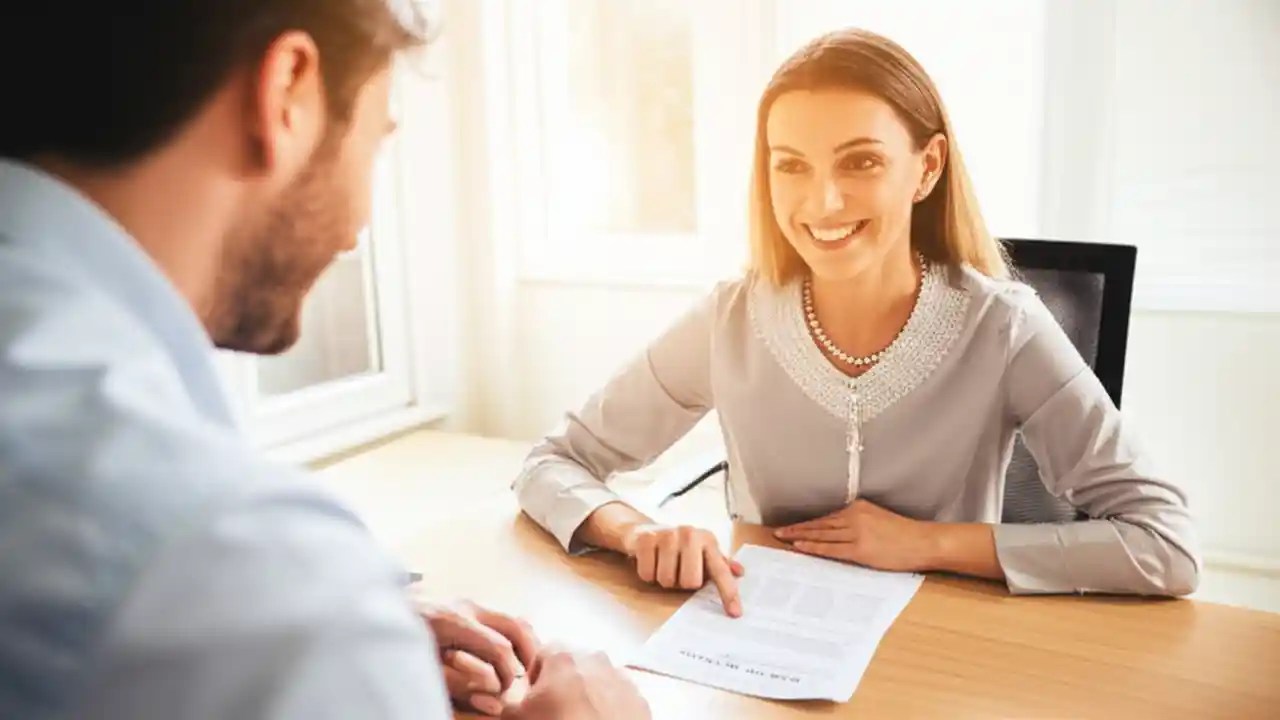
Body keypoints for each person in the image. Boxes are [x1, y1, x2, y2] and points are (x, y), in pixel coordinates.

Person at [0, 2, 648, 719]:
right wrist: (332, 639)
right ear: (287, 92)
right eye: (376, 141)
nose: (358, 223)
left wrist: (363, 632)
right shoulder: (246, 568)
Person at [512, 27, 1201, 616]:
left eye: (862, 161)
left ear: (926, 167)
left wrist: (926, 543)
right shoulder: (729, 318)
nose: (824, 201)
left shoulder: (1006, 329)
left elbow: (1165, 544)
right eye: (792, 167)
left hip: (946, 653)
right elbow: (553, 463)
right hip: (758, 644)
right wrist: (636, 532)